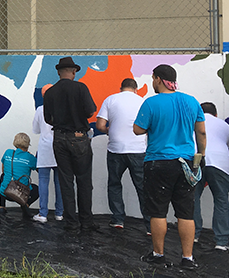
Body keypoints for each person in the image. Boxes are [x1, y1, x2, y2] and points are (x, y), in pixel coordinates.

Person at [133, 64, 206, 270]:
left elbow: (138, 130)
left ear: (157, 79)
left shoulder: (151, 103)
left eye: (152, 78)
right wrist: (200, 157)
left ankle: (158, 255)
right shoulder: (192, 102)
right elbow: (201, 133)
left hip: (158, 162)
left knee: (158, 212)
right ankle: (188, 258)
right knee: (186, 213)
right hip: (186, 163)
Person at [43, 56, 98, 232]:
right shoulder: (80, 88)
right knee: (84, 180)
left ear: (58, 72)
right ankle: (86, 221)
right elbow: (90, 111)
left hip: (59, 138)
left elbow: (48, 119)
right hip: (79, 137)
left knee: (65, 181)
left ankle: (71, 222)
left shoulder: (50, 92)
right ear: (74, 72)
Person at [95, 78, 149, 230]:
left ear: (121, 88)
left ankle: (118, 219)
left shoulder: (110, 99)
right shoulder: (142, 101)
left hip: (116, 149)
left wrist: (109, 130)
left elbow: (100, 125)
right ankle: (150, 224)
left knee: (114, 184)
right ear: (136, 89)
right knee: (142, 186)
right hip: (138, 150)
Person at [194, 102, 229, 251]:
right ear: (216, 114)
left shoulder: (194, 121)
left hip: (197, 161)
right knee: (221, 200)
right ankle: (221, 241)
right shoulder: (224, 125)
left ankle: (193, 235)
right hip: (219, 165)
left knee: (193, 199)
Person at [31, 84, 64, 223]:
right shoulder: (63, 109)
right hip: (61, 147)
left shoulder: (40, 110)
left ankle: (43, 213)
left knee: (43, 181)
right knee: (59, 182)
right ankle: (59, 213)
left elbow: (35, 130)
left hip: (45, 148)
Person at [0, 133, 39, 217]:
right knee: (38, 189)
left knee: (3, 177)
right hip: (20, 195)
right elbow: (38, 170)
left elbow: (3, 170)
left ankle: (2, 206)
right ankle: (25, 205)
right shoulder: (29, 157)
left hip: (6, 192)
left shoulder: (8, 153)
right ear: (27, 144)